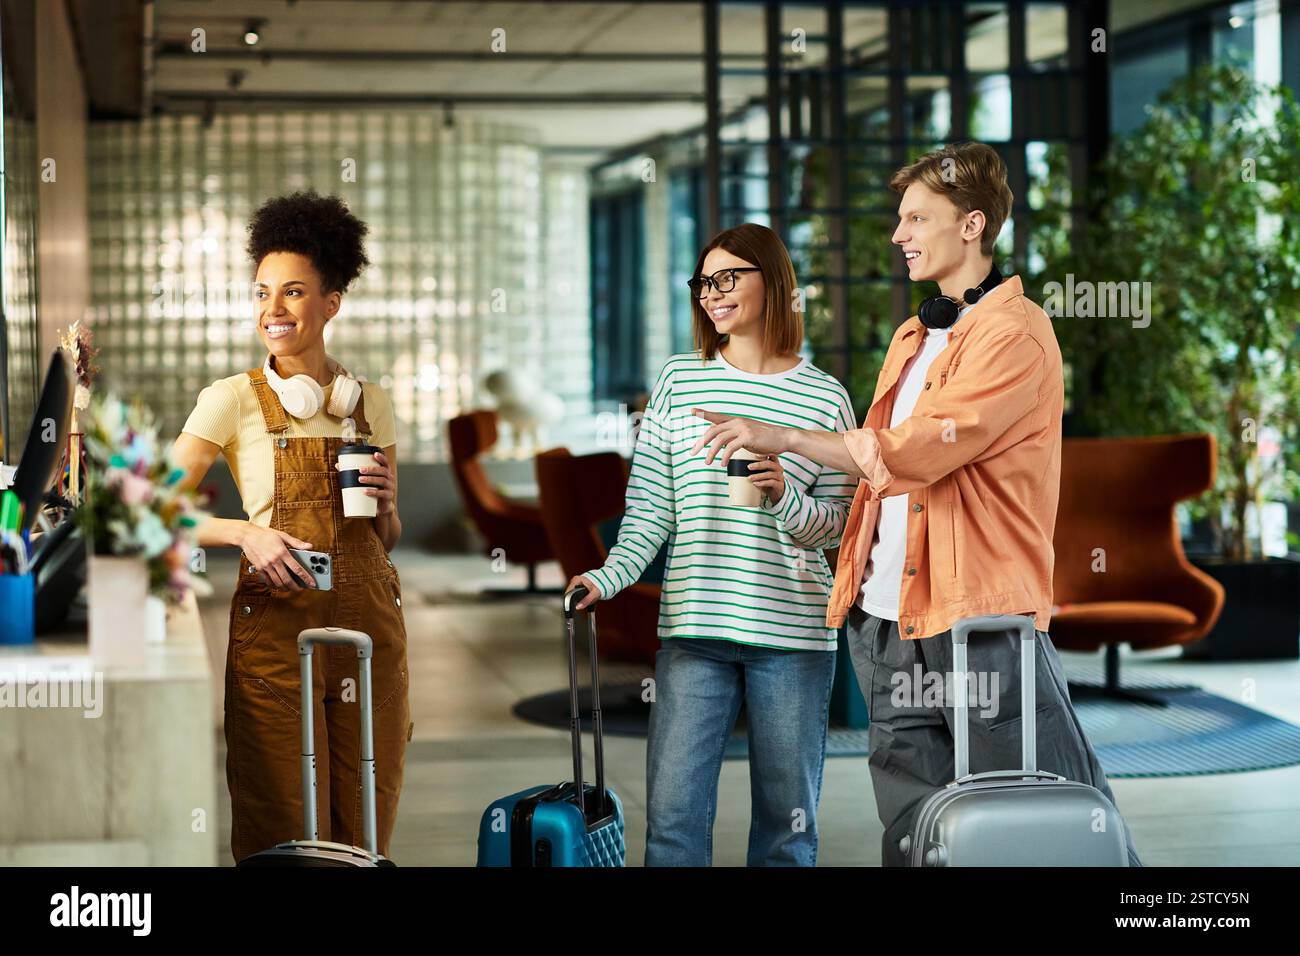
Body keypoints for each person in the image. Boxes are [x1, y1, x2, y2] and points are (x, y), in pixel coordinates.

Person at [691, 144, 1143, 867]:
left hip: (977, 615)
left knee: (1039, 815)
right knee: (917, 827)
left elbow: (916, 450)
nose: (899, 234)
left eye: (915, 217)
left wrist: (787, 436)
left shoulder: (1015, 333)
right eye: (899, 218)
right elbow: (879, 465)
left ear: (971, 225)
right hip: (884, 613)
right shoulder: (915, 334)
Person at [567, 223, 858, 866]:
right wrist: (607, 577)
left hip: (793, 638)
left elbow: (840, 526)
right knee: (672, 823)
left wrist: (783, 493)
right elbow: (648, 509)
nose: (713, 293)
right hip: (695, 628)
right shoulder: (679, 380)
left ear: (773, 281)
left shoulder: (825, 397)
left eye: (730, 277)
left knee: (787, 829)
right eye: (705, 281)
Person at [171, 189, 411, 862]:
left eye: (293, 293)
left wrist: (388, 508)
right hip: (277, 635)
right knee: (282, 817)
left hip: (369, 630)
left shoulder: (371, 406)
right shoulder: (230, 399)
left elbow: (385, 541)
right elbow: (145, 509)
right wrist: (243, 534)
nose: (271, 311)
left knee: (366, 814)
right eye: (261, 293)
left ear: (331, 301)